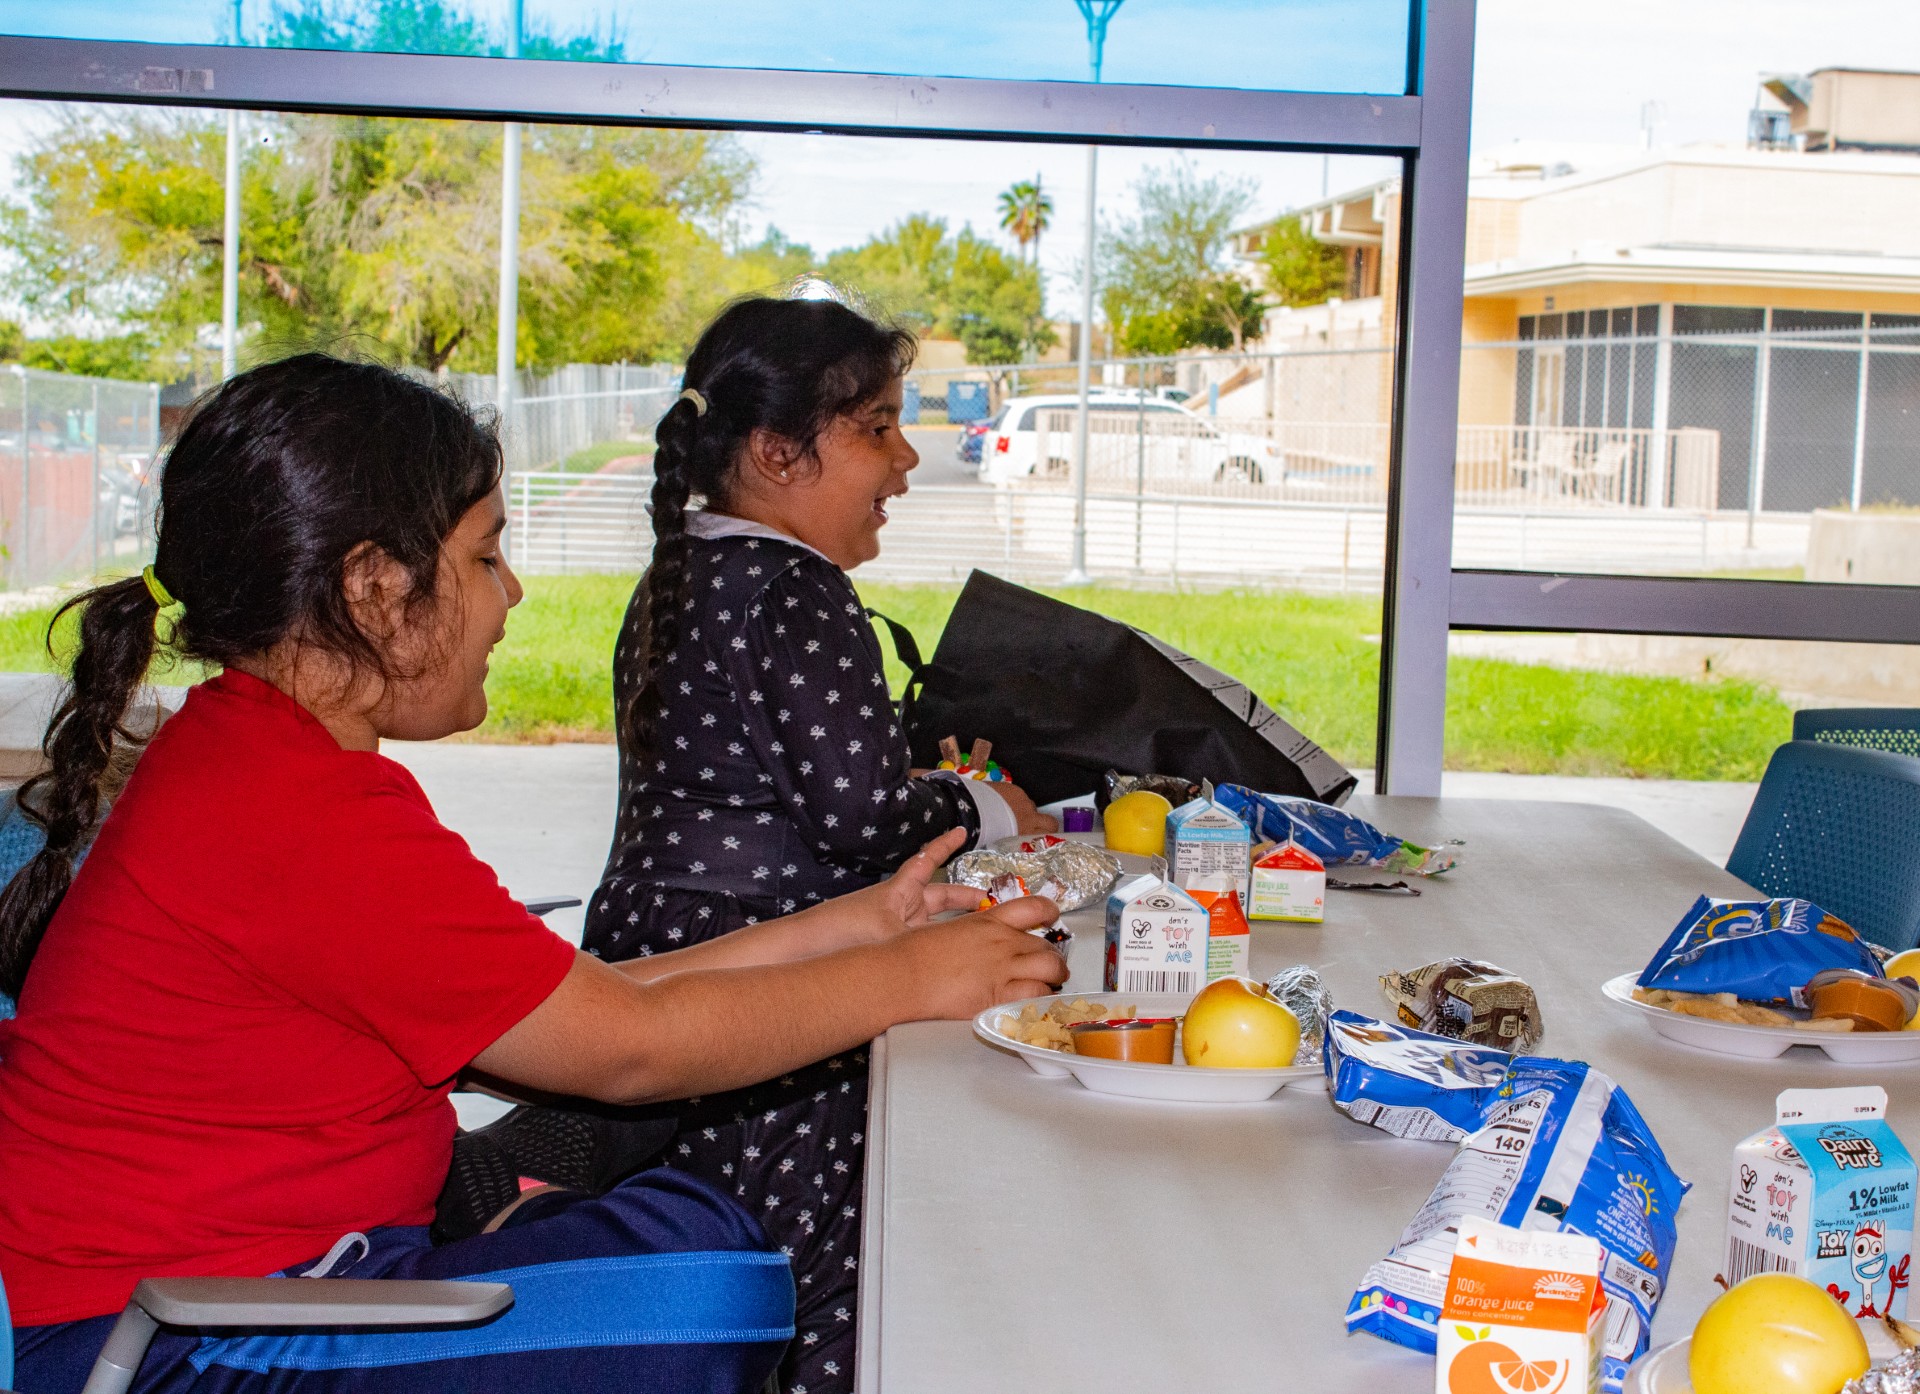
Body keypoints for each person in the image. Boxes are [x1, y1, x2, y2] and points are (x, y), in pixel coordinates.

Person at [0, 354, 1066, 1394]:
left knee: (685, 1232)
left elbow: (596, 1003)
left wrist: (863, 925)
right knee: (715, 1281)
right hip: (160, 1338)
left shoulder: (256, 759)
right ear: (374, 587)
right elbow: (631, 1049)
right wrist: (918, 979)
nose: (511, 591)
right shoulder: (296, 810)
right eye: (483, 555)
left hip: (240, 1288)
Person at [584, 294, 1054, 1394]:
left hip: (663, 952)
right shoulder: (799, 589)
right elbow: (857, 815)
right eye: (879, 425)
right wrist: (990, 809)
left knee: (705, 1254)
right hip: (775, 984)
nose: (908, 453)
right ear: (776, 452)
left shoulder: (683, 571)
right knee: (805, 1263)